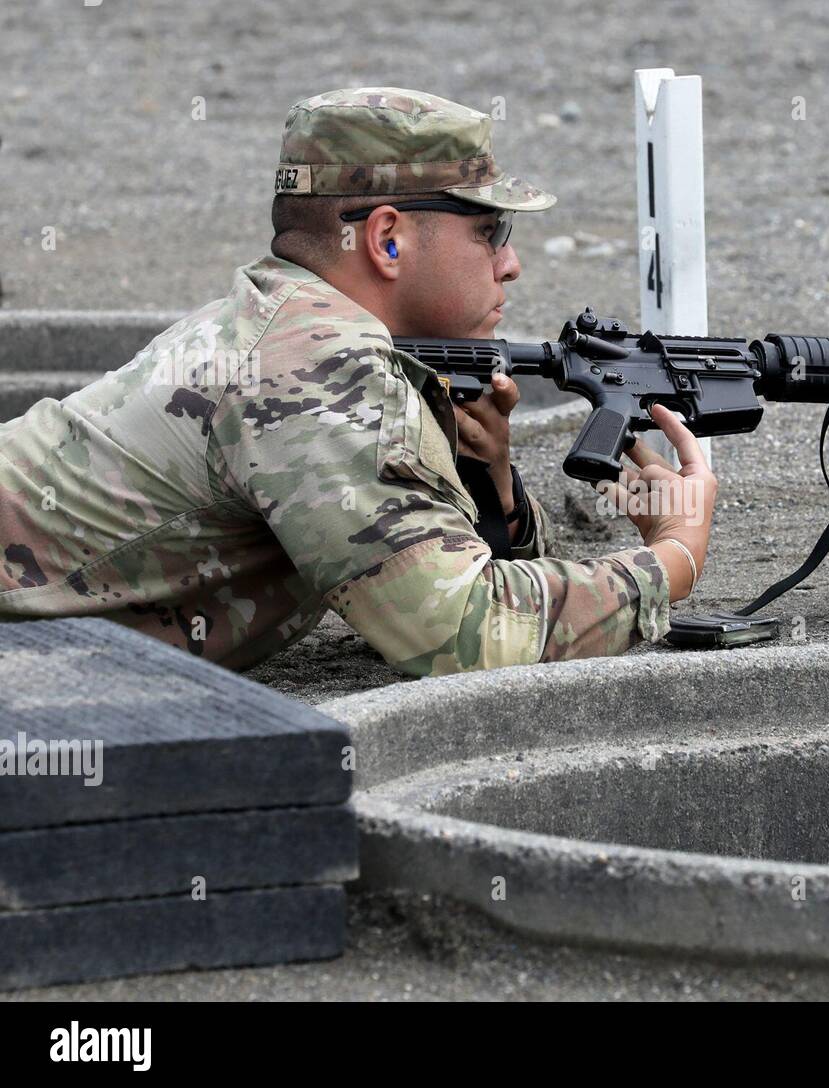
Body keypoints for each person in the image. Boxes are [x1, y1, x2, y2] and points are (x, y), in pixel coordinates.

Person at [0, 87, 716, 676]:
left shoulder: (284, 321)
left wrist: (488, 485)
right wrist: (672, 558)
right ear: (387, 238)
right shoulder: (318, 365)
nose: (510, 262)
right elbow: (464, 635)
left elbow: (440, 576)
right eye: (490, 230)